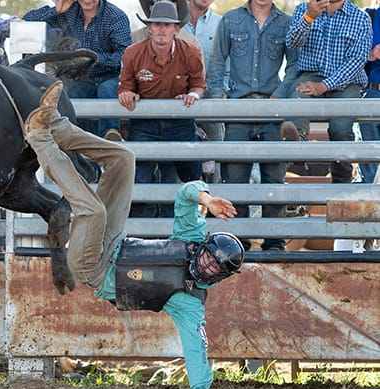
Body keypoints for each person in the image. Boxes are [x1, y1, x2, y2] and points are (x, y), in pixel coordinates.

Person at [25, 80, 244, 389]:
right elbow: (185, 196)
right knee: (125, 158)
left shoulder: (190, 304)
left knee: (93, 209)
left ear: (217, 277)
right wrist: (206, 197)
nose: (208, 264)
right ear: (205, 246)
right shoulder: (191, 238)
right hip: (115, 244)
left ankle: (40, 139)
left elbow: (196, 347)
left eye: (215, 268)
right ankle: (56, 126)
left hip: (94, 269)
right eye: (211, 256)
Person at [206, 0, 298, 252]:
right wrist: (216, 96)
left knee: (273, 179)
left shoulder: (286, 23)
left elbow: (294, 65)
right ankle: (238, 241)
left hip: (272, 107)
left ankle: (274, 243)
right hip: (238, 107)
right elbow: (216, 59)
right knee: (234, 179)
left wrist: (280, 95)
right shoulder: (231, 19)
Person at [118, 1, 205, 218]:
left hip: (180, 120)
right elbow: (125, 86)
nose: (161, 30)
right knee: (139, 177)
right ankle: (138, 234)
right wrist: (128, 94)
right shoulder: (132, 53)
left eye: (167, 25)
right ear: (149, 27)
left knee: (186, 174)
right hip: (144, 122)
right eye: (156, 24)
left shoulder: (191, 52)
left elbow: (199, 85)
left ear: (176, 29)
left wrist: (192, 96)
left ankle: (177, 234)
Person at [285, 0, 371, 184]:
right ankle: (297, 150)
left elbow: (357, 61)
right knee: (296, 103)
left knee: (341, 129)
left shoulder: (360, 17)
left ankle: (342, 182)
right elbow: (291, 43)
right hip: (311, 75)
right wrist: (308, 18)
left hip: (348, 81)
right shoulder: (303, 9)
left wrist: (324, 86)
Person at [23, 0, 130, 141]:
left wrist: (92, 58)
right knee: (73, 93)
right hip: (81, 78)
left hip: (110, 76)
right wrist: (56, 10)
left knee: (106, 89)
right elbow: (27, 20)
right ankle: (81, 138)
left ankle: (110, 133)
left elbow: (124, 57)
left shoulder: (116, 16)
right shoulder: (68, 11)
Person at [184, 0, 225, 183]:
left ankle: (215, 202)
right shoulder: (173, 23)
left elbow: (228, 66)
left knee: (215, 155)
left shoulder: (222, 23)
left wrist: (218, 92)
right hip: (180, 98)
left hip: (212, 96)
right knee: (179, 155)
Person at [359, 5, 380, 184]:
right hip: (373, 92)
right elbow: (347, 54)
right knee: (369, 162)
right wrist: (371, 54)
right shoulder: (369, 16)